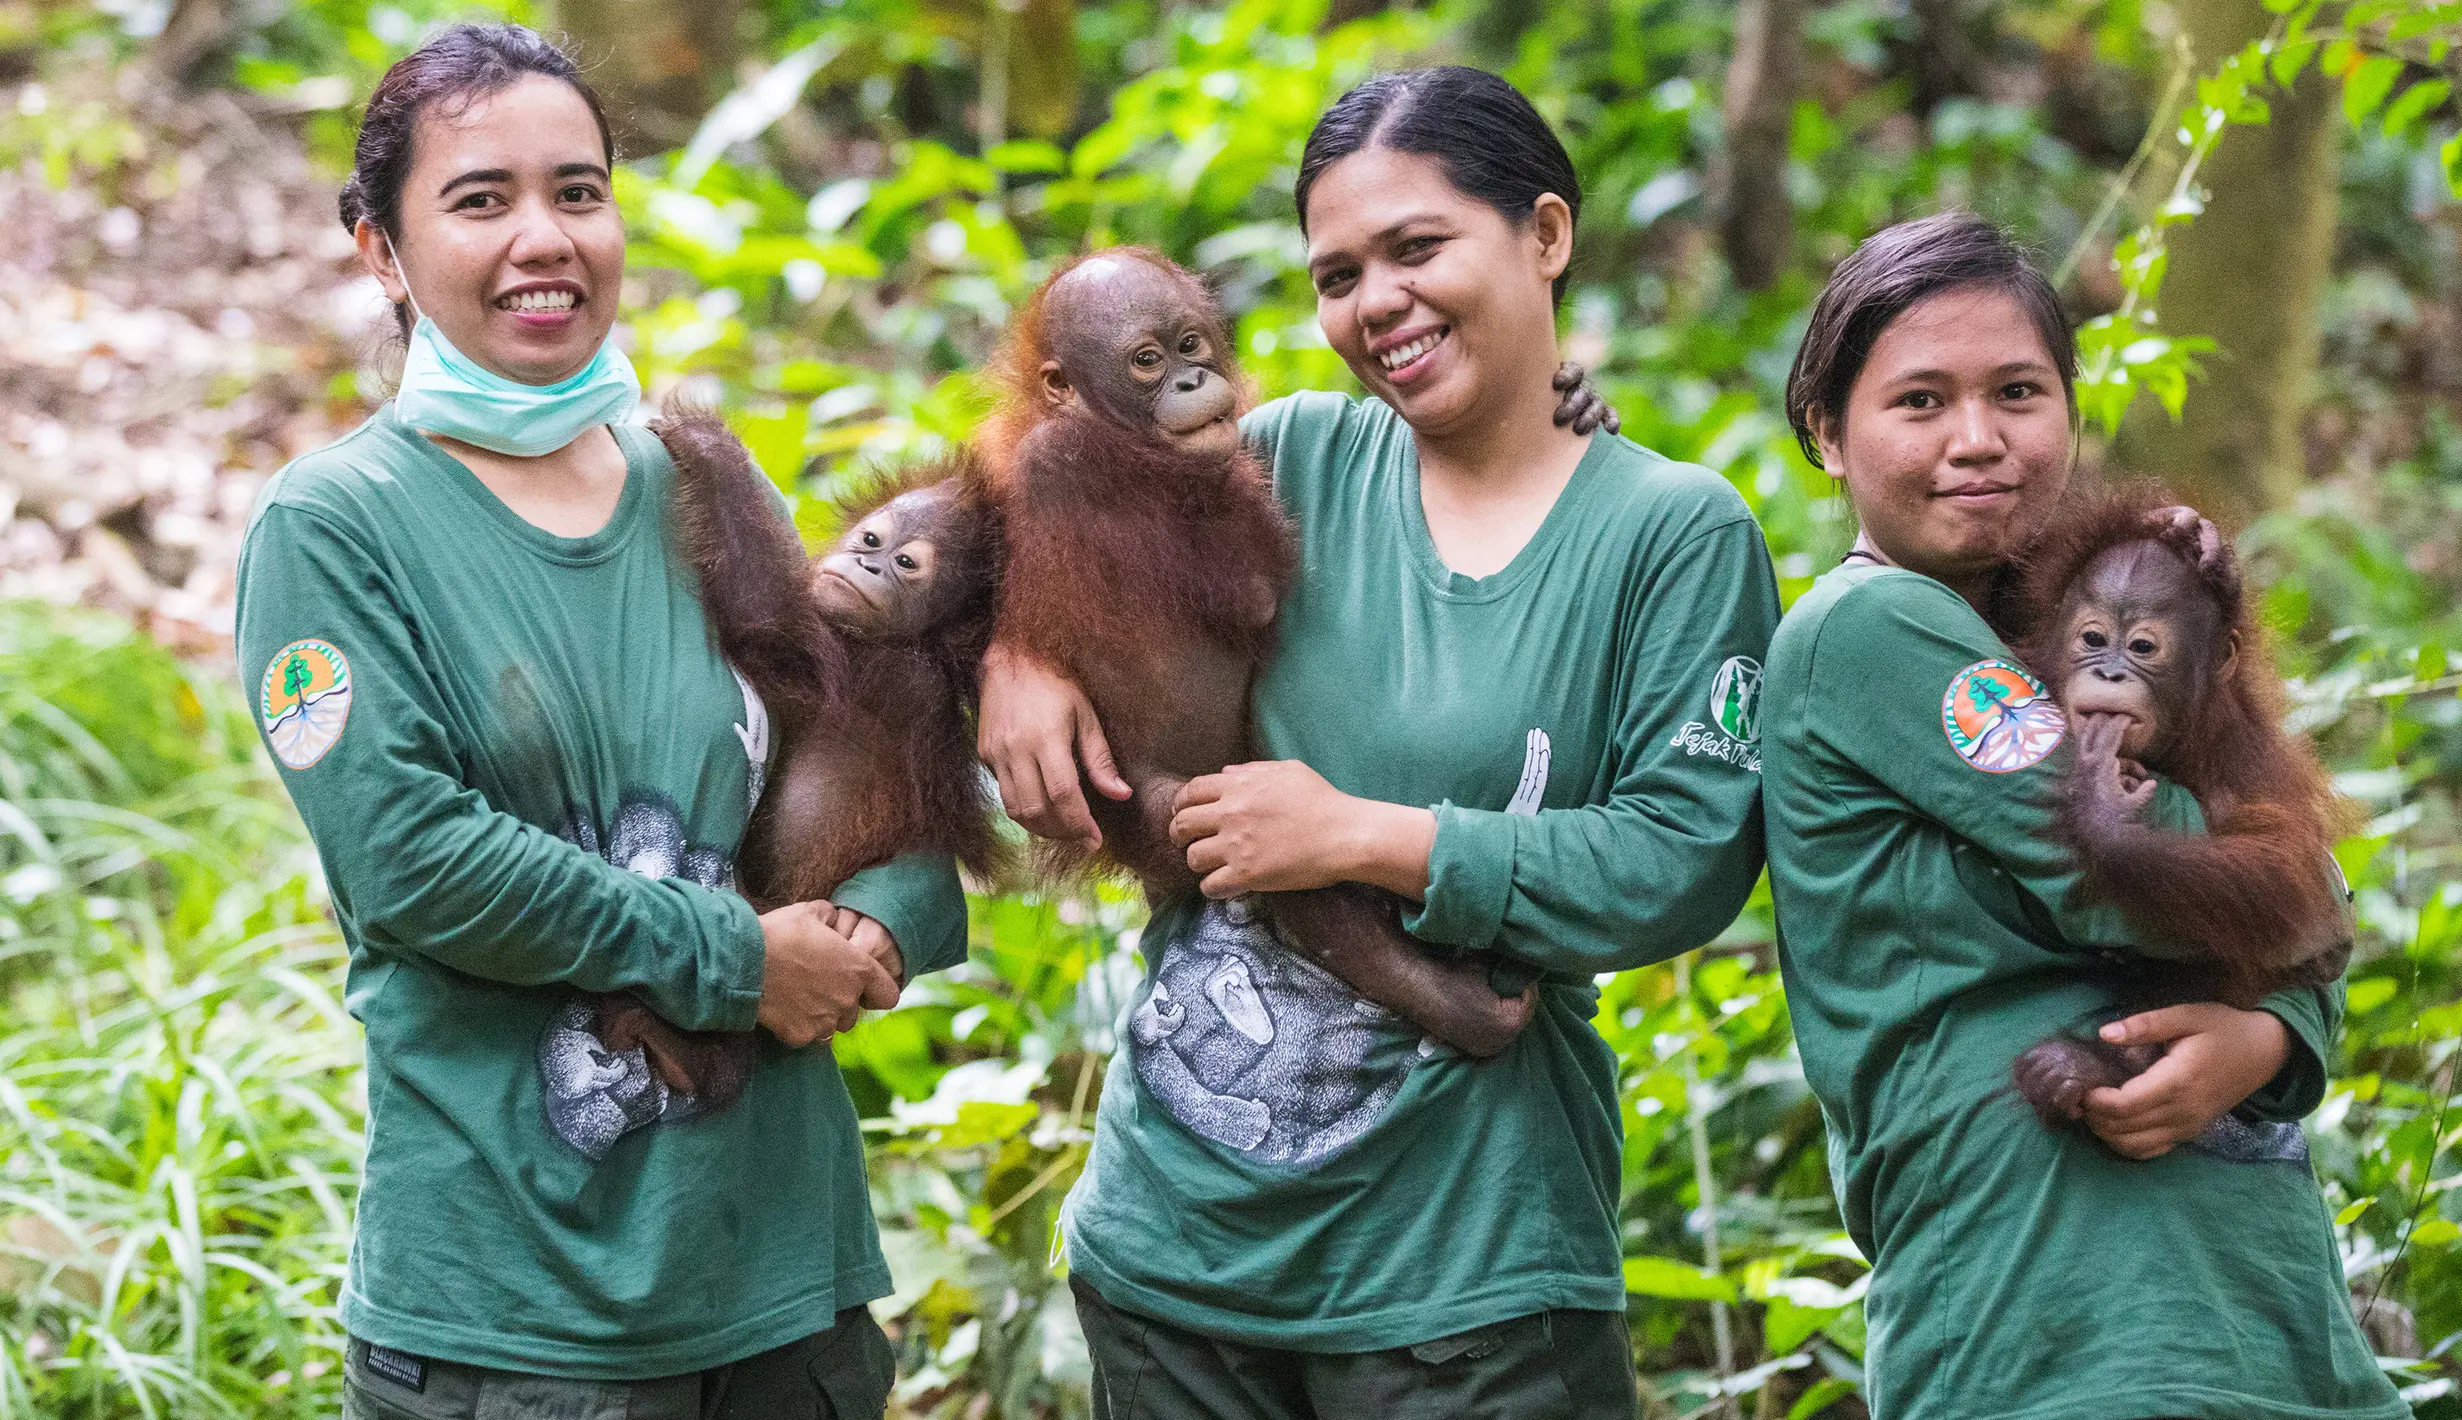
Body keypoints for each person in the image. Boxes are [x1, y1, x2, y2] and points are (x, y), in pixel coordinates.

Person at [979, 67, 1778, 1417]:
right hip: (1172, 1261)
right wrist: (1016, 656)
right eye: (1337, 273)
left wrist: (1361, 837)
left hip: (1463, 1285)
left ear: (1544, 234)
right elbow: (1037, 499)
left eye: (1417, 248)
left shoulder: (1672, 535)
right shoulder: (1284, 460)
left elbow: (1682, 861)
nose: (1376, 303)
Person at [233, 24, 963, 1419]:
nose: (543, 238)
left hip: (785, 1299)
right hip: (517, 1322)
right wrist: (738, 959)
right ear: (379, 251)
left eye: (577, 191)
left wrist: (882, 917)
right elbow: (411, 860)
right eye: (479, 198)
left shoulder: (697, 481)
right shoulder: (334, 529)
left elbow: (861, 752)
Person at [1758, 211, 2405, 1420]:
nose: (1976, 440)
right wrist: (2285, 910)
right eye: (1917, 403)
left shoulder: (2089, 618)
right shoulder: (1868, 629)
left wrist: (2270, 1040)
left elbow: (2287, 864)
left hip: (2252, 1300)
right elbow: (2145, 864)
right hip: (2046, 1304)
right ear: (1825, 433)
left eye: (2016, 392)